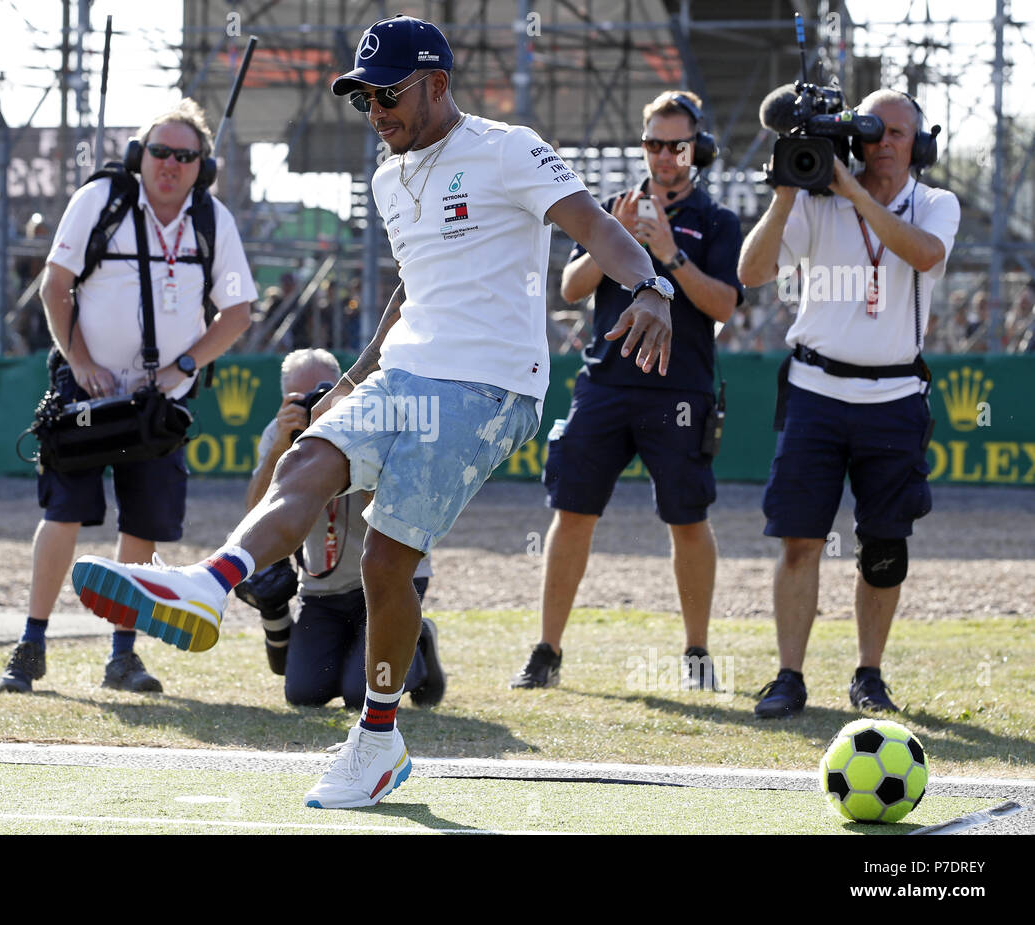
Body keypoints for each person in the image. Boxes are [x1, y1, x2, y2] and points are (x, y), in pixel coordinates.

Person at [68, 15, 673, 810]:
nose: (376, 111)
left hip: (491, 387)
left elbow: (594, 225)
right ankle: (210, 585)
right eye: (363, 99)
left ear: (437, 85)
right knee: (307, 464)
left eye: (388, 94)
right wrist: (352, 378)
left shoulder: (508, 148)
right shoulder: (388, 179)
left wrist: (652, 284)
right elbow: (410, 289)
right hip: (406, 372)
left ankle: (377, 733)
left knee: (388, 561)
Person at [0, 99, 256, 696]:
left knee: (144, 521)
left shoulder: (213, 220)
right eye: (160, 152)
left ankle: (122, 656)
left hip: (157, 403)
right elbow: (56, 288)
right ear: (141, 156)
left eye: (185, 156)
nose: (170, 164)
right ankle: (30, 644)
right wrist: (80, 361)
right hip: (86, 389)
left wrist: (184, 365)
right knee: (63, 511)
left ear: (202, 166)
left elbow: (237, 310)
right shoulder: (100, 202)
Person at [512, 90, 743, 693]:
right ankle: (547, 651)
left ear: (697, 149)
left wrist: (668, 252)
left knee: (687, 518)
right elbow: (568, 287)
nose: (663, 157)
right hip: (606, 383)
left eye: (676, 146)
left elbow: (724, 305)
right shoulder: (610, 210)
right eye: (653, 144)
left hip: (680, 388)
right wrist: (620, 243)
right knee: (572, 513)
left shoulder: (718, 221)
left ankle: (697, 652)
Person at [738, 89, 959, 718]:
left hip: (893, 396)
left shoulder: (935, 203)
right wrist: (787, 190)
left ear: (921, 144)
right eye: (873, 130)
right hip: (815, 391)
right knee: (799, 540)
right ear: (855, 137)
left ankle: (869, 673)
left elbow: (924, 255)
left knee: (884, 544)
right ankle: (788, 676)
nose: (884, 143)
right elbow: (752, 272)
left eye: (898, 133)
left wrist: (855, 196)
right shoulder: (813, 199)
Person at [240, 347, 443, 709]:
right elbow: (255, 514)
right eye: (303, 398)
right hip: (323, 588)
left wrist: (348, 452)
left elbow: (389, 513)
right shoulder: (280, 432)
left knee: (357, 695)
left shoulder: (375, 423)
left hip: (387, 580)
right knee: (304, 694)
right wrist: (279, 452)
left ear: (345, 386)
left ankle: (417, 640)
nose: (316, 403)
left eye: (324, 390)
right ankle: (374, 644)